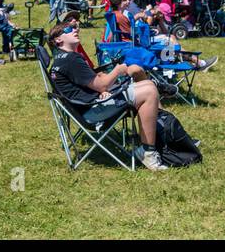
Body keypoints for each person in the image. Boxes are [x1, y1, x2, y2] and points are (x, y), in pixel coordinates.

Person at [46, 20, 168, 170]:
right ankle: (149, 152)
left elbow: (92, 84)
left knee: (149, 85)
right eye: (69, 29)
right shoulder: (71, 60)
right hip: (92, 112)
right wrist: (118, 70)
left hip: (89, 105)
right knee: (149, 91)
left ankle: (165, 131)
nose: (75, 30)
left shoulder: (62, 60)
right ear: (58, 39)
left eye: (76, 28)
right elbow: (102, 84)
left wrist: (102, 90)